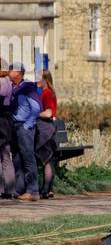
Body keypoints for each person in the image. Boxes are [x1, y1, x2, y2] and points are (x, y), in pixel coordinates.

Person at [8, 62, 42, 201]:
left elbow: (36, 108)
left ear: (19, 73)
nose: (9, 72)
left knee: (28, 158)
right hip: (14, 125)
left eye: (11, 70)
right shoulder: (12, 88)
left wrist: (28, 125)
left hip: (24, 126)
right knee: (17, 158)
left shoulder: (27, 87)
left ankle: (33, 191)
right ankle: (20, 189)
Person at [36, 69, 58, 198]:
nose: (36, 80)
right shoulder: (50, 92)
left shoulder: (47, 93)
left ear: (45, 80)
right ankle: (48, 189)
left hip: (45, 131)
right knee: (48, 161)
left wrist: (34, 114)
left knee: (46, 161)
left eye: (38, 78)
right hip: (49, 129)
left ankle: (44, 190)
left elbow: (49, 113)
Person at [0, 68, 16, 199]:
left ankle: (1, 189)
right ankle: (10, 189)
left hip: (1, 120)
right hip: (7, 121)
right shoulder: (8, 83)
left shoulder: (1, 83)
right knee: (6, 156)